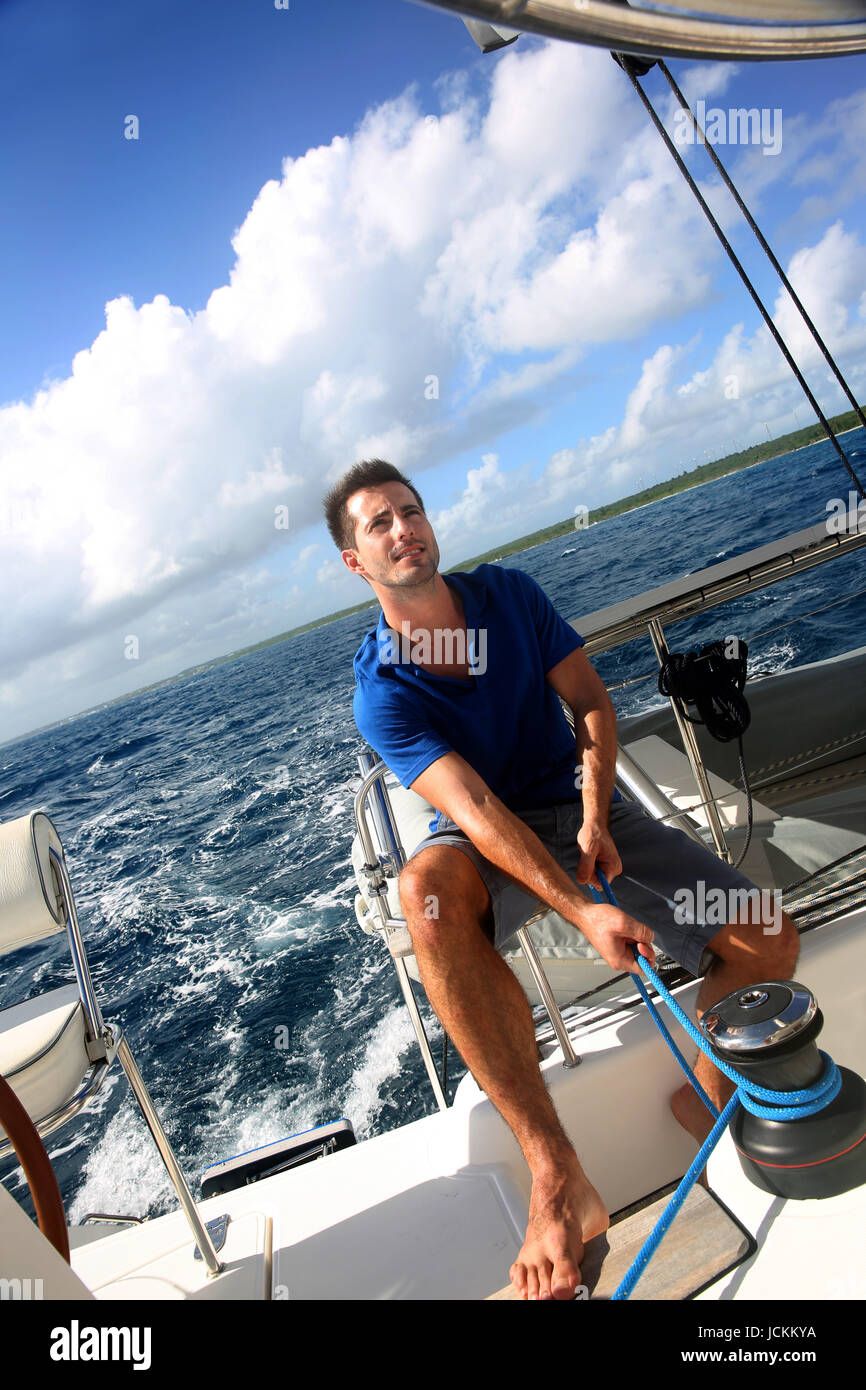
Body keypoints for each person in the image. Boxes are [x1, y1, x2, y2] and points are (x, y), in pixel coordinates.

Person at [322, 457, 799, 1301]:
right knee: (426, 902)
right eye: (379, 524)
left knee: (766, 937)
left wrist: (591, 808)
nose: (404, 529)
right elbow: (468, 806)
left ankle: (711, 1099)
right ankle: (556, 1176)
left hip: (582, 810)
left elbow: (588, 704)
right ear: (356, 563)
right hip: (485, 841)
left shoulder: (510, 596)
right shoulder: (382, 691)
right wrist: (581, 908)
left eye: (411, 509)